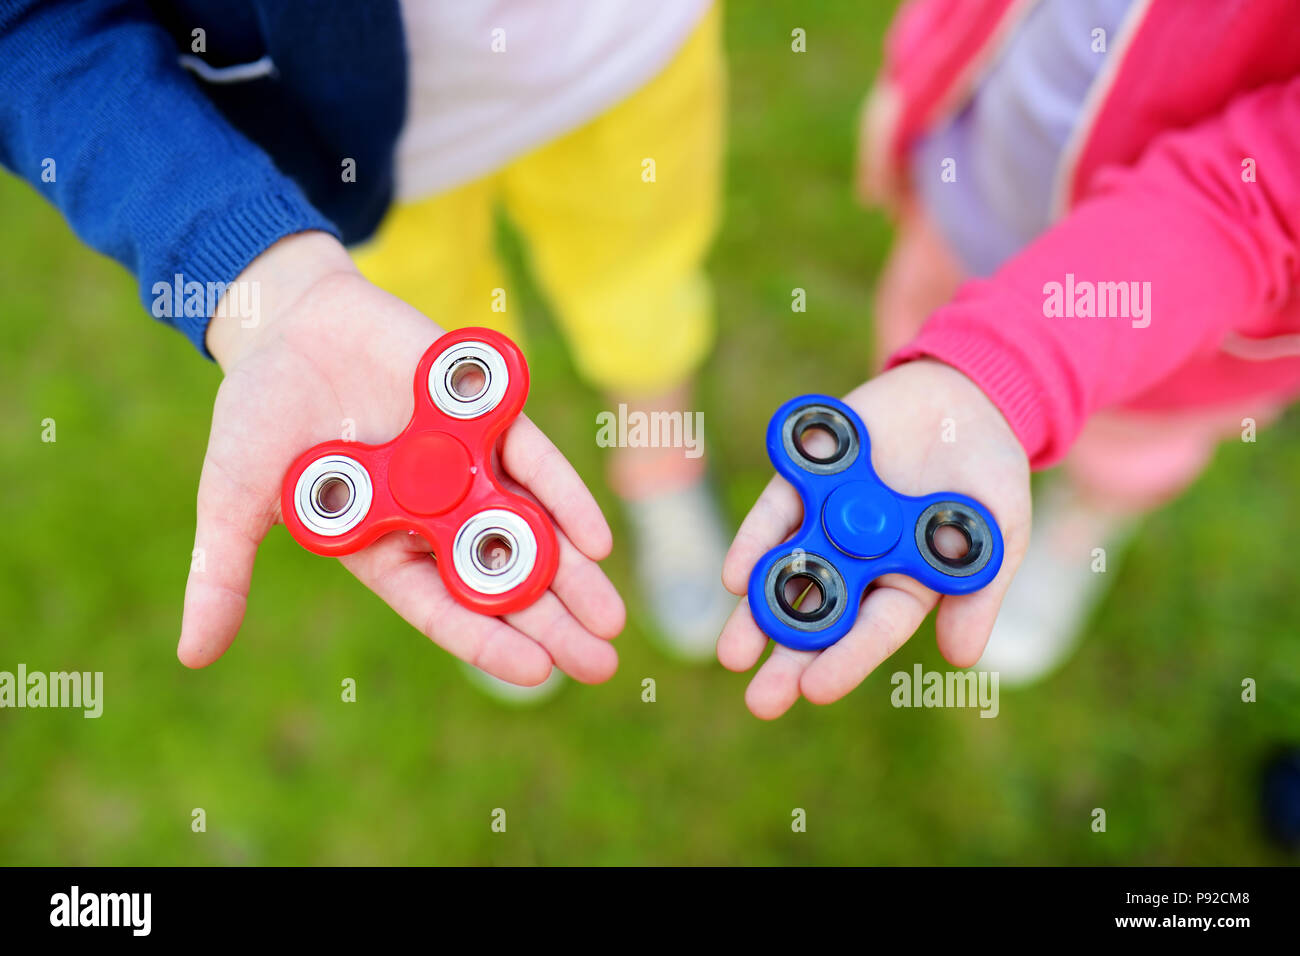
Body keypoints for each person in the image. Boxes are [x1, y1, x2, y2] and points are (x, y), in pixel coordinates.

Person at [719, 0, 1300, 718]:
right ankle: (930, 434)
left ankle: (1082, 528)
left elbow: (1260, 197)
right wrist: (923, 66)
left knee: (1126, 453)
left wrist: (1011, 364)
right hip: (976, 192)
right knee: (917, 354)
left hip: (1179, 339)